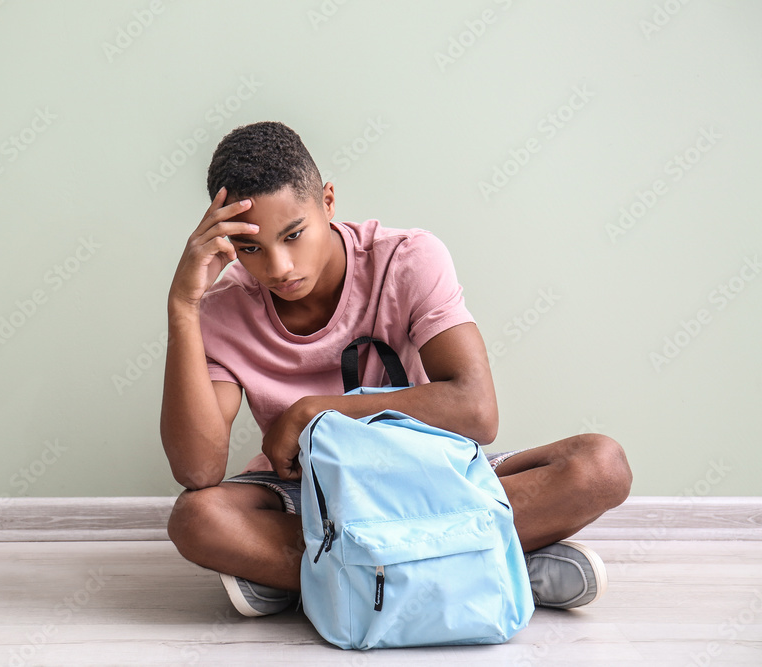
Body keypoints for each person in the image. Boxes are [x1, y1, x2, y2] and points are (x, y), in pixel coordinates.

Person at [160, 120, 633, 617]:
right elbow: (199, 471)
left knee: (600, 466)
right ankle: (479, 566)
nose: (278, 268)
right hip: (310, 495)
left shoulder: (407, 259)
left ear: (328, 201)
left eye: (294, 235)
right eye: (252, 249)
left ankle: (327, 581)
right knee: (197, 519)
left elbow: (476, 411)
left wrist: (313, 413)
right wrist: (183, 305)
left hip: (432, 477)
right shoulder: (222, 307)